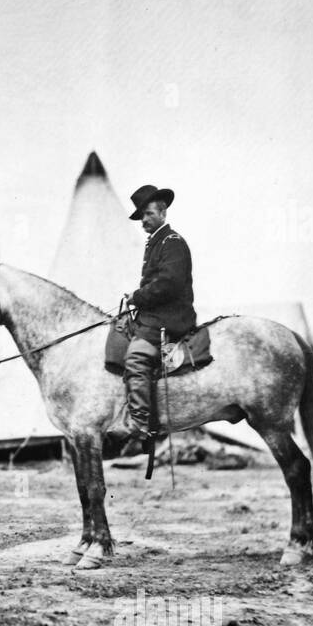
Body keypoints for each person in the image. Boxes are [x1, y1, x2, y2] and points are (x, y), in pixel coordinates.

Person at [105, 184, 196, 445]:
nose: (144, 220)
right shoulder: (156, 242)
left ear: (163, 212)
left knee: (135, 357)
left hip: (170, 318)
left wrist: (137, 297)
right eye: (141, 216)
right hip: (155, 316)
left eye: (148, 214)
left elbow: (169, 283)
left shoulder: (172, 242)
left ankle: (140, 422)